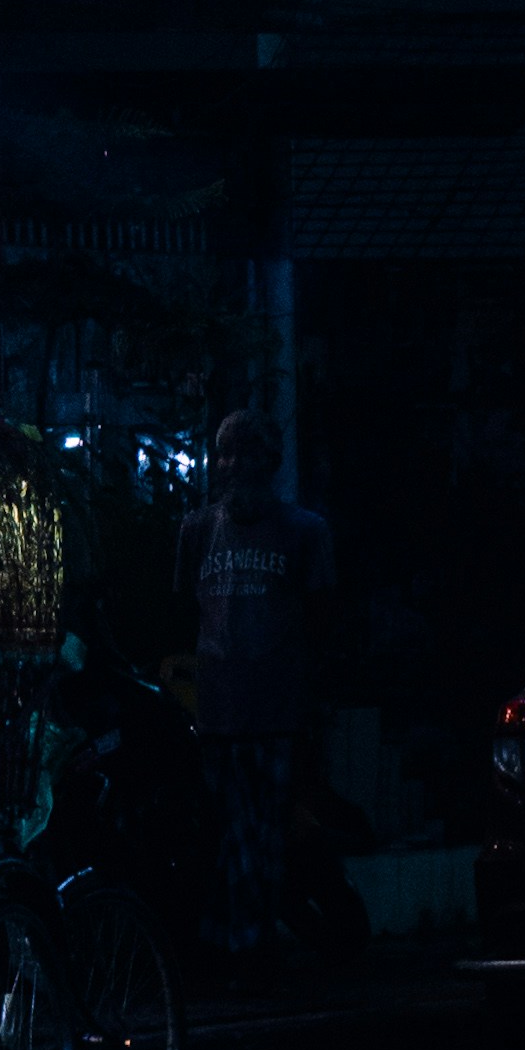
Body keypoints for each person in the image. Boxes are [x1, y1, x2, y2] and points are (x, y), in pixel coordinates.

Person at [176, 411, 335, 961]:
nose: (233, 465)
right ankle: (237, 940)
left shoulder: (304, 533)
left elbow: (321, 626)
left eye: (246, 452)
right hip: (218, 709)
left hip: (274, 709)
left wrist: (314, 708)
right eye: (225, 453)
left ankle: (247, 942)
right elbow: (180, 616)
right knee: (229, 833)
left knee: (261, 834)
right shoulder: (197, 530)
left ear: (271, 462)